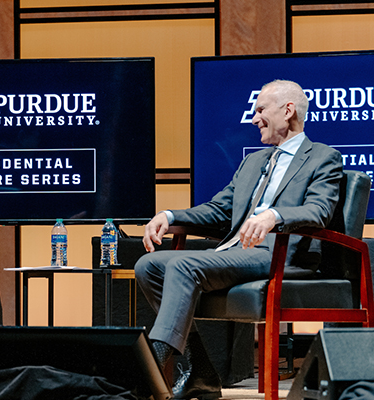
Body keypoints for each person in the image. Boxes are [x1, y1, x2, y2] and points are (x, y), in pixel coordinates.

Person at [135, 79, 343, 399]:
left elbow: (319, 210)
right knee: (149, 265)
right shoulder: (253, 162)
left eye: (260, 110)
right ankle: (200, 371)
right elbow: (220, 210)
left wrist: (275, 216)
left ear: (288, 111)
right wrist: (171, 216)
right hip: (237, 251)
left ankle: (148, 370)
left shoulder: (323, 158)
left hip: (280, 252)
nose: (254, 119)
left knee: (184, 265)